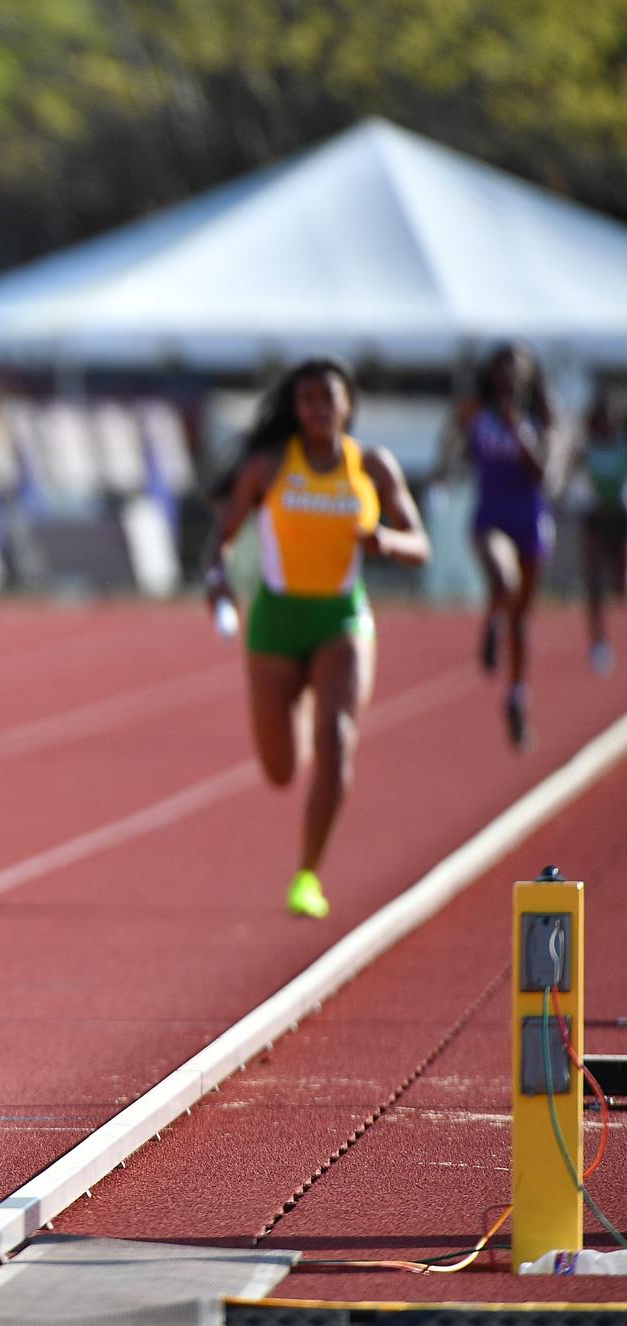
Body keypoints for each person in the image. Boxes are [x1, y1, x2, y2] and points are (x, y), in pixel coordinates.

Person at [204, 357, 430, 920]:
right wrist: (217, 582)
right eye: (307, 399)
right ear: (296, 408)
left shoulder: (372, 467)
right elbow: (221, 539)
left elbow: (419, 544)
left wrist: (386, 542)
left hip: (341, 621)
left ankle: (307, 875)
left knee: (336, 742)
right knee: (281, 771)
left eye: (328, 398)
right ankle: (301, 704)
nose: (318, 408)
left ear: (348, 403)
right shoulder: (270, 466)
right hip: (276, 622)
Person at [434, 342, 556, 747]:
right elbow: (450, 441)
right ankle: (491, 623)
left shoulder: (540, 415)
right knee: (502, 582)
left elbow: (544, 472)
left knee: (522, 619)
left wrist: (519, 429)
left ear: (528, 375)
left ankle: (517, 696)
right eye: (503, 367)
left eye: (517, 369)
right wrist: (442, 472)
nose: (510, 375)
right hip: (491, 515)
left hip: (530, 519)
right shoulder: (475, 411)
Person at [573, 388, 627, 676]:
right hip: (594, 520)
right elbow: (575, 484)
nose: (606, 421)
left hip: (620, 521)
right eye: (601, 417)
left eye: (611, 416)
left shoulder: (623, 446)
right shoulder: (585, 450)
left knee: (620, 585)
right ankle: (598, 641)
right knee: (594, 585)